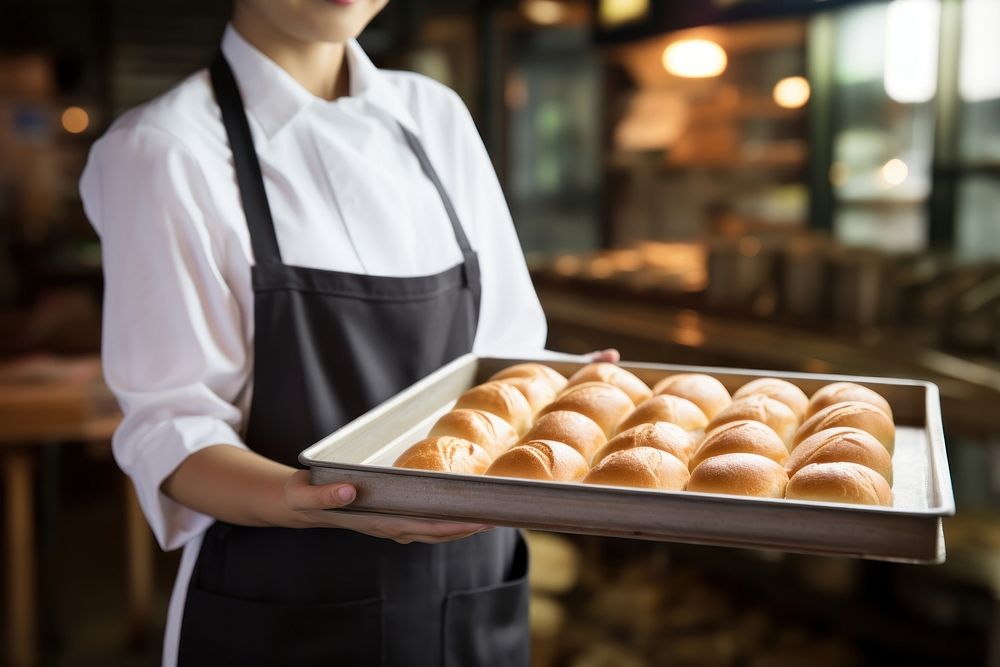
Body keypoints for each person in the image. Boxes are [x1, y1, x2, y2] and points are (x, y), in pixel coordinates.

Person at [81, 1, 617, 664]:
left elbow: (506, 354)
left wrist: (568, 389)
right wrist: (312, 499)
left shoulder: (435, 116)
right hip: (284, 604)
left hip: (471, 590)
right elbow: (170, 431)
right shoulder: (164, 148)